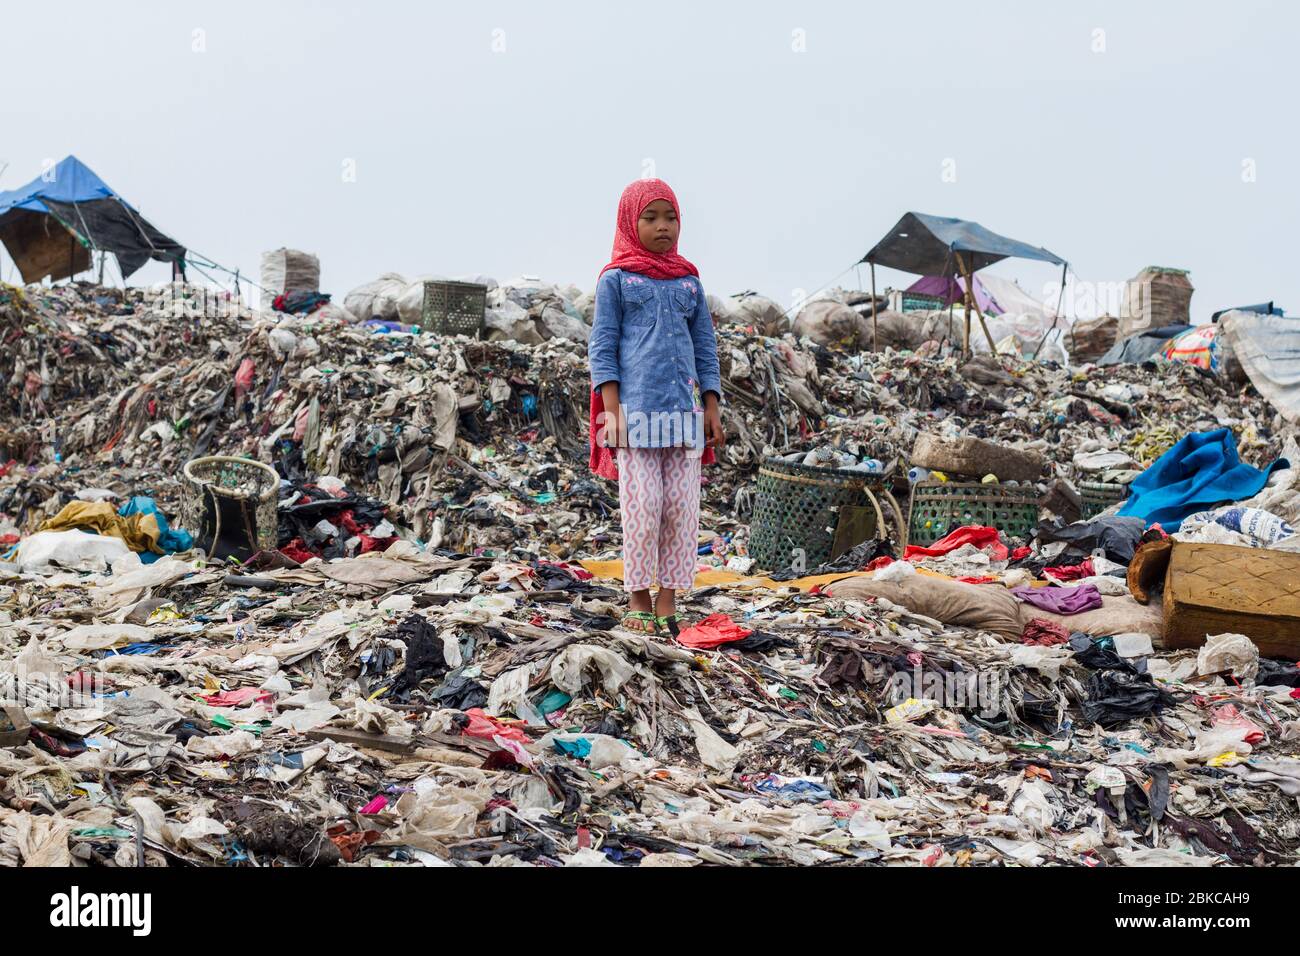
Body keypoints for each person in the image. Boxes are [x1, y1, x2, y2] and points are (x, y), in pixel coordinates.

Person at [587, 178, 724, 636]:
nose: (663, 227)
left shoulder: (688, 281)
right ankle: (637, 595)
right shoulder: (616, 279)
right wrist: (612, 412)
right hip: (638, 416)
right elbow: (603, 347)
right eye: (651, 218)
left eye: (671, 218)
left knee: (680, 509)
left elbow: (705, 348)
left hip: (684, 416)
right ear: (630, 221)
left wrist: (712, 406)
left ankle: (668, 599)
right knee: (643, 507)